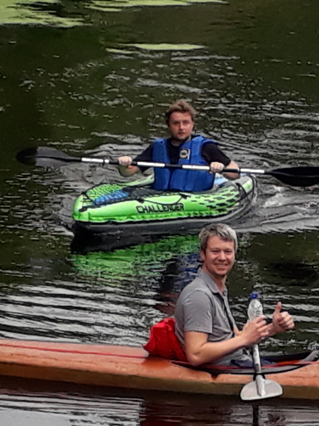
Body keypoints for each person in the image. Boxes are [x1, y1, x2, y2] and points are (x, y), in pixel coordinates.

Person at [173, 223, 294, 366]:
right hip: (224, 369)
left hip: (238, 360)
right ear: (202, 254)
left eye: (228, 251)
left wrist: (273, 328)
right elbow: (195, 355)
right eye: (215, 251)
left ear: (235, 254)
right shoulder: (199, 296)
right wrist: (244, 340)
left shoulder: (218, 288)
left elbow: (237, 337)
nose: (222, 257)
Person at [117, 100, 241, 193]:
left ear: (192, 124)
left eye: (185, 123)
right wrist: (123, 165)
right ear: (168, 125)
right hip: (161, 197)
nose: (181, 127)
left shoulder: (206, 147)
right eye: (176, 123)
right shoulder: (157, 147)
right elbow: (128, 172)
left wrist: (222, 168)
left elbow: (235, 173)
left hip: (198, 199)